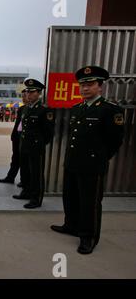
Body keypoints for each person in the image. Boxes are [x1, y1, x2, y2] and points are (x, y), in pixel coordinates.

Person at [51, 66, 124, 254]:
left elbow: (115, 141)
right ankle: (71, 225)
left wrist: (99, 159)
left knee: (89, 203)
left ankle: (88, 237)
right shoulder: (78, 108)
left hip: (92, 165)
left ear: (100, 86)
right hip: (72, 162)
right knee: (70, 197)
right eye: (82, 85)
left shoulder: (110, 110)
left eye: (90, 84)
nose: (84, 89)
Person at [12, 79, 54, 209]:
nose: (28, 95)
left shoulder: (44, 110)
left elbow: (48, 133)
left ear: (39, 93)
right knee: (25, 171)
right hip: (24, 144)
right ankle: (26, 192)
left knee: (36, 174)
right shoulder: (26, 109)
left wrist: (39, 143)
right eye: (27, 92)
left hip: (36, 147)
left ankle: (36, 198)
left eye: (32, 92)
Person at [0, 89, 28, 186]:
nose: (23, 98)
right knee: (15, 158)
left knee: (25, 161)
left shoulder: (32, 109)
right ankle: (10, 177)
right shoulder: (22, 109)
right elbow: (17, 124)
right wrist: (13, 135)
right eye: (22, 96)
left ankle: (24, 181)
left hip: (26, 138)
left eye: (25, 96)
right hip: (17, 137)